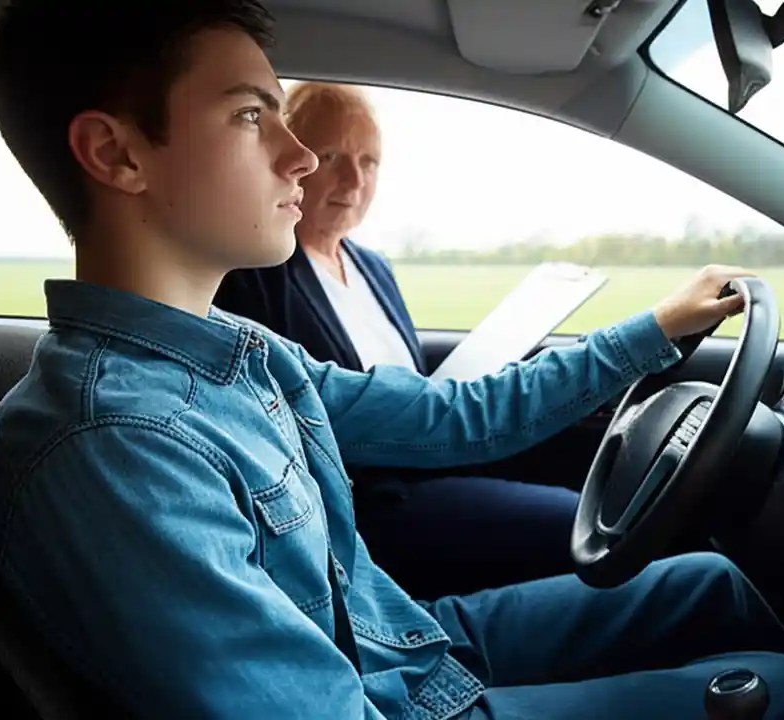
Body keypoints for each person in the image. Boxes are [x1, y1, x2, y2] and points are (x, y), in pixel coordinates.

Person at [0, 1, 784, 718]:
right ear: (117, 154)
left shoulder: (245, 354)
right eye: (249, 115)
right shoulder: (113, 442)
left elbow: (461, 419)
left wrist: (654, 328)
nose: (301, 157)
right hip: (397, 701)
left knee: (712, 583)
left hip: (406, 645)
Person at [214, 82, 582, 600]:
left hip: (432, 460)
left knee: (587, 493)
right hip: (373, 503)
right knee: (581, 525)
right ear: (292, 161)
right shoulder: (257, 275)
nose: (353, 179)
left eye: (370, 161)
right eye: (332, 156)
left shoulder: (373, 267)